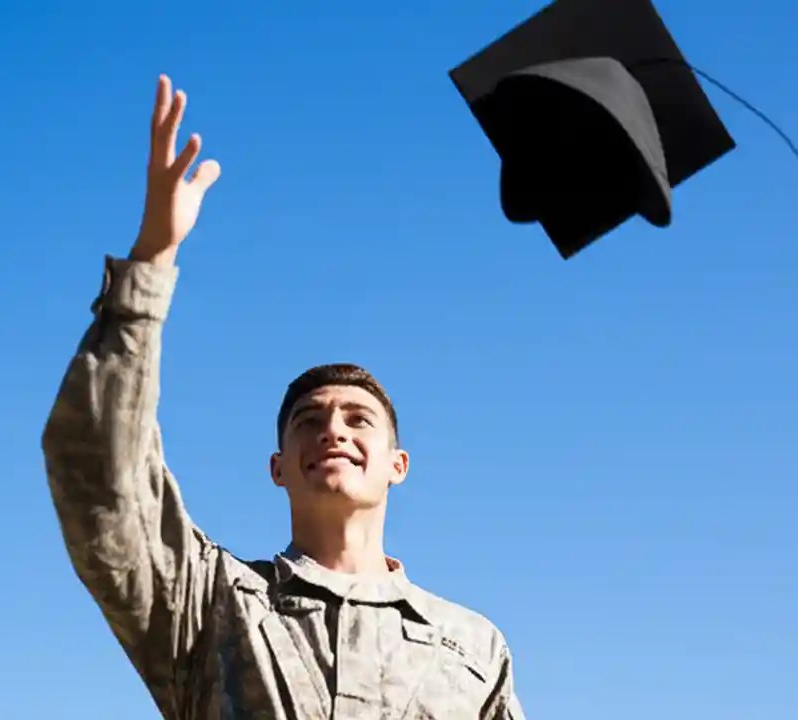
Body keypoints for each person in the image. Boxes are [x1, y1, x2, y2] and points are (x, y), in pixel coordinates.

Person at [42, 74, 526, 720]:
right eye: (309, 420)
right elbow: (101, 479)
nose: (333, 430)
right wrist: (153, 258)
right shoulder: (210, 603)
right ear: (277, 466)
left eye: (359, 420)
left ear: (397, 464)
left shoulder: (472, 649)